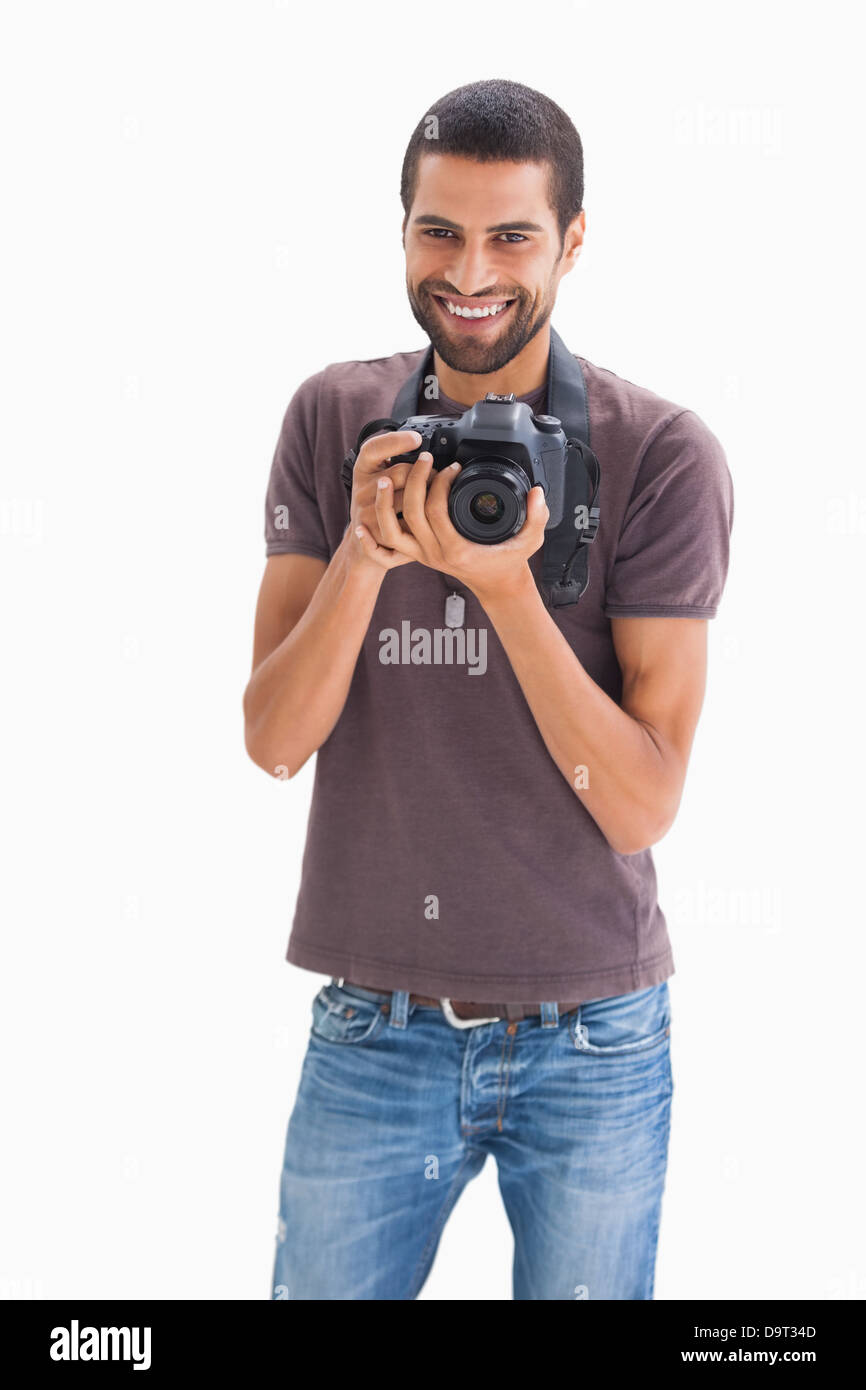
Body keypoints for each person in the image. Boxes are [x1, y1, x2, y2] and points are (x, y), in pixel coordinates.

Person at [243, 78, 734, 1301]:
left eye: (511, 234)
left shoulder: (659, 453)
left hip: (595, 1035)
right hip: (374, 1020)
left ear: (571, 239)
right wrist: (364, 548)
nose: (470, 271)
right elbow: (272, 738)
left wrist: (507, 590)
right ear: (402, 228)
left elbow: (637, 806)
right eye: (438, 230)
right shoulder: (334, 419)